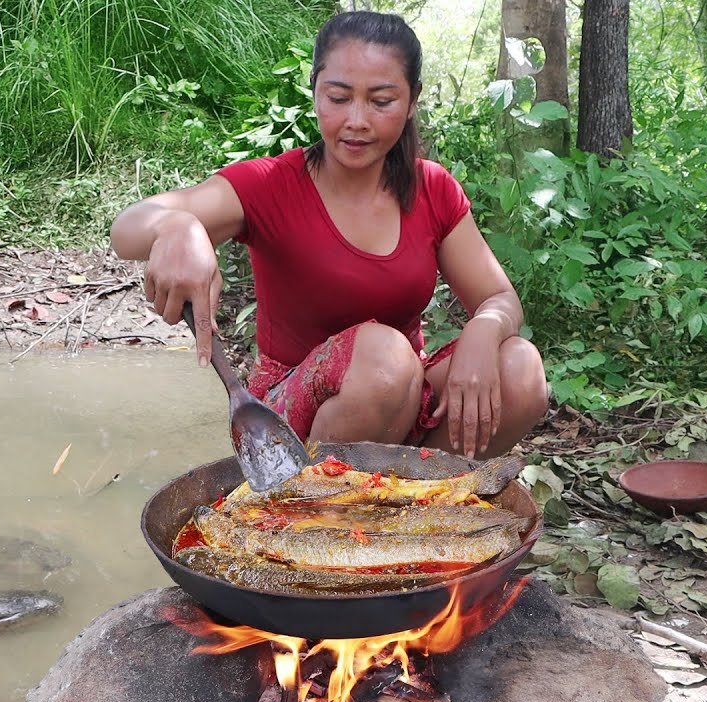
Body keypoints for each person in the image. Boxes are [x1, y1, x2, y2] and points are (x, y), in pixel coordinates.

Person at [111, 11, 548, 460]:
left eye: (381, 102)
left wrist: (483, 328)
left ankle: (417, 503)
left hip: (400, 401)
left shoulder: (431, 188)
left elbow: (500, 298)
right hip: (290, 424)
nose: (356, 120)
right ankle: (317, 511)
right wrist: (178, 225)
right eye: (338, 97)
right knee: (386, 359)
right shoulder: (272, 185)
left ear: (412, 101)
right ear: (316, 91)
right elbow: (128, 228)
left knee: (520, 370)